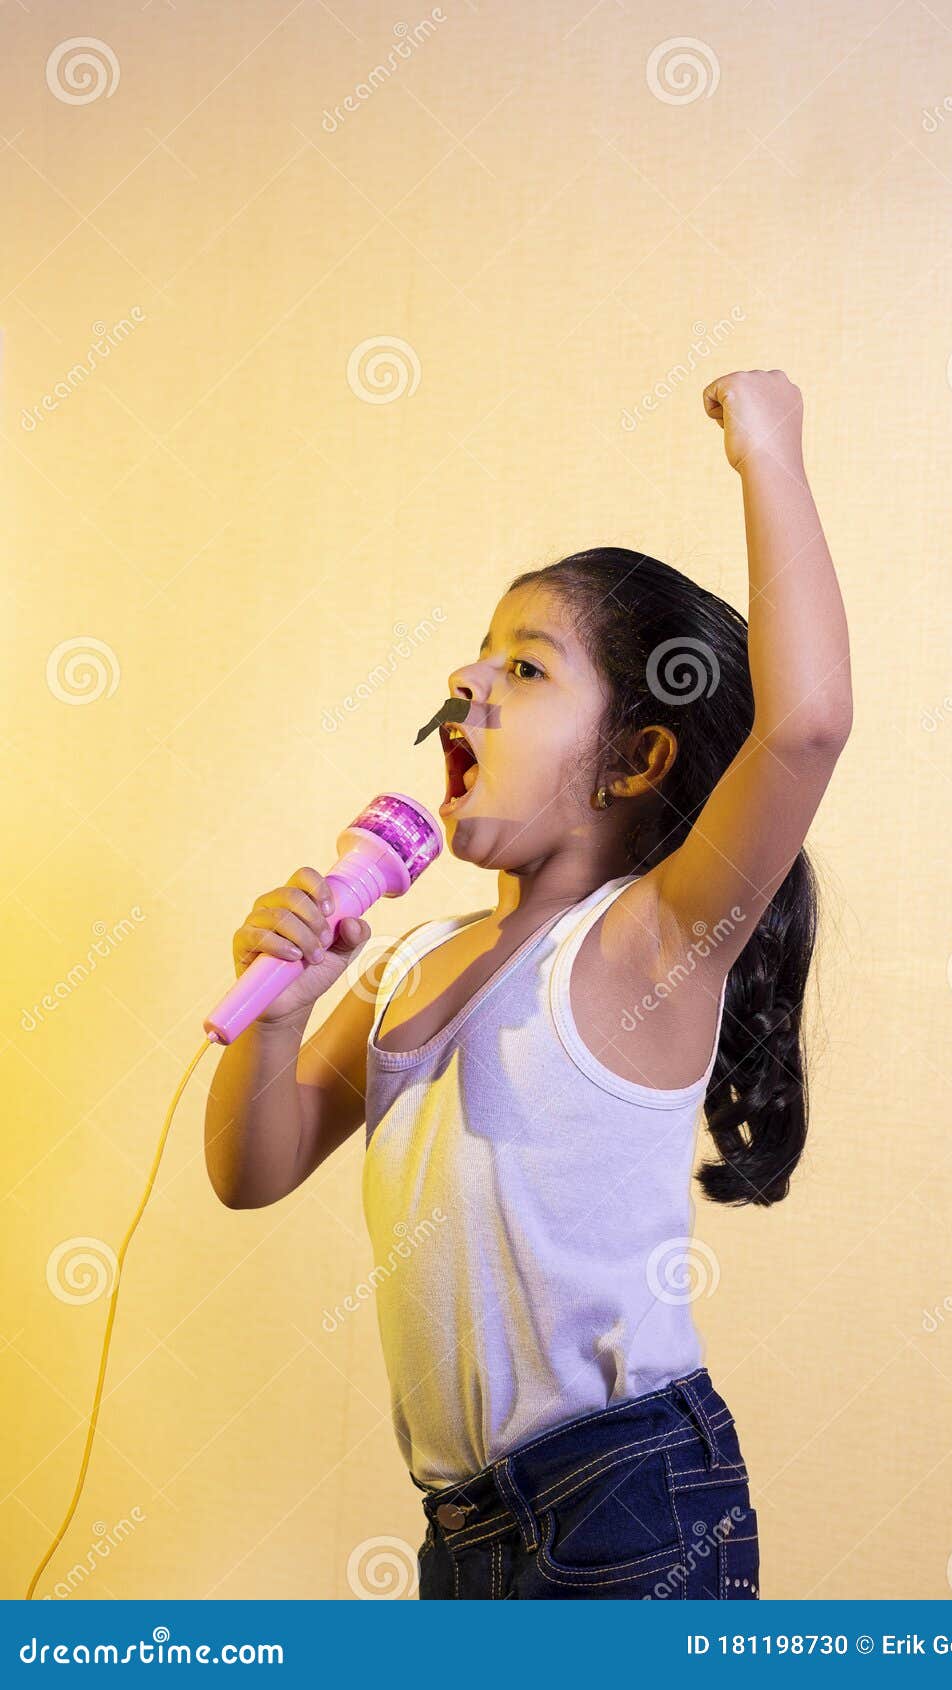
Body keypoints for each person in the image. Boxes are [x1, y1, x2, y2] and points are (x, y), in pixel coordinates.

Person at [204, 369, 852, 1599]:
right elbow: (253, 1171)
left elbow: (805, 724)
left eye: (527, 668)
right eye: (473, 663)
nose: (468, 680)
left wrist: (765, 449)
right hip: (461, 1525)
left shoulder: (648, 945)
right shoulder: (405, 959)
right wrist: (277, 1024)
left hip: (627, 1498)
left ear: (638, 757)